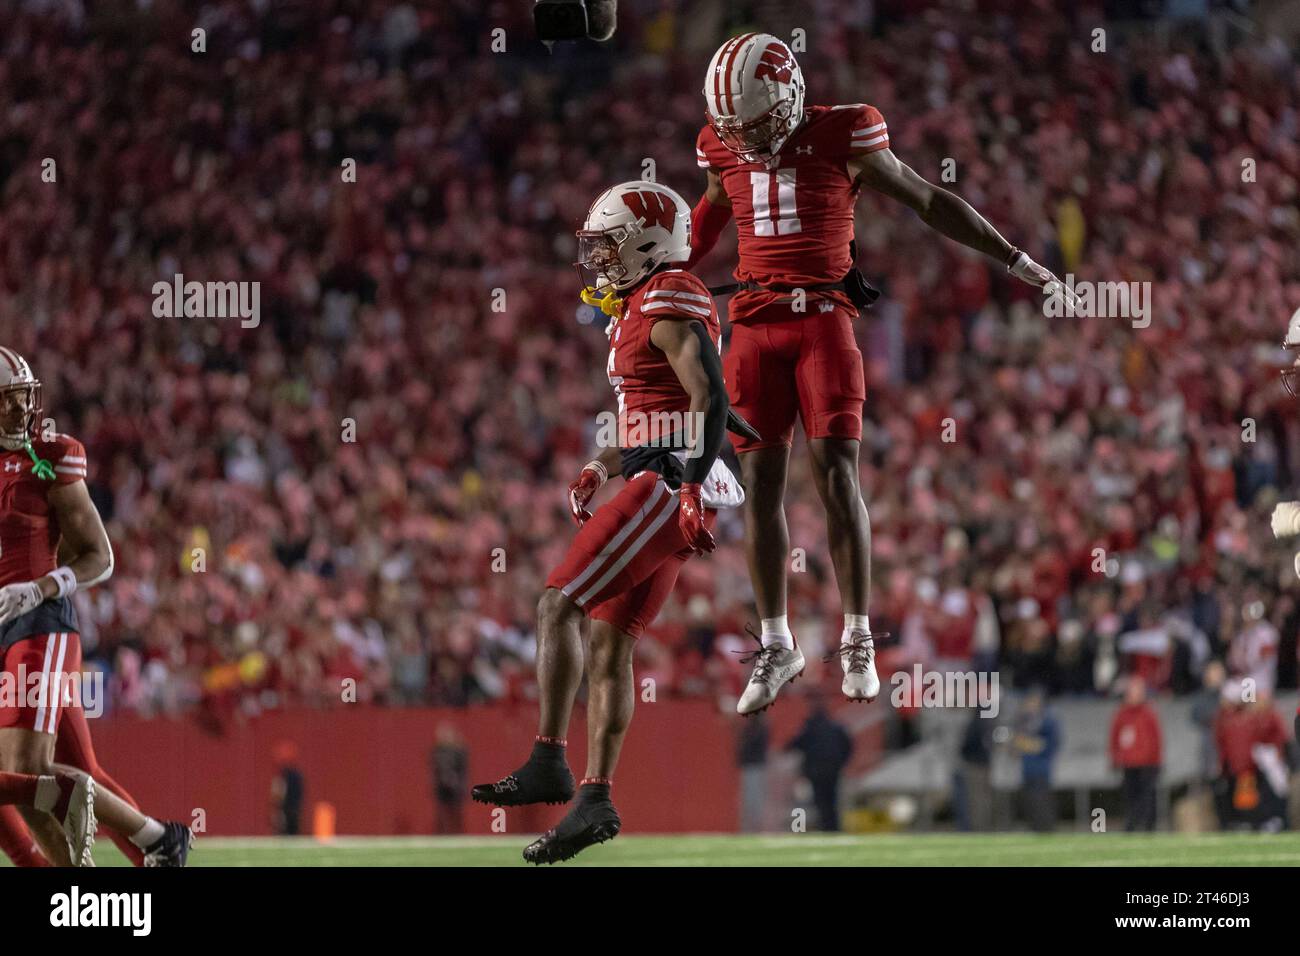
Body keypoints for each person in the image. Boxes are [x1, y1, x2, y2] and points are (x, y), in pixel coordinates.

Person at [688, 33, 1074, 715]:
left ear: (791, 98)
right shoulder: (720, 147)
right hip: (751, 325)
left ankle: (858, 635)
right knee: (760, 486)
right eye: (735, 130)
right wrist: (649, 287)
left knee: (837, 473)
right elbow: (701, 231)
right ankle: (777, 642)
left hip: (822, 321)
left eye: (757, 125)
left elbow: (927, 199)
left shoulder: (847, 131)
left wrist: (1014, 259)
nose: (748, 141)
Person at [470, 182, 746, 863]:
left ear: (649, 243)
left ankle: (549, 760)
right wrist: (602, 462)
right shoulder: (637, 307)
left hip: (668, 480)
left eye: (609, 244)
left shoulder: (670, 297)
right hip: (664, 471)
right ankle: (594, 799)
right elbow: (659, 412)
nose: (598, 260)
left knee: (554, 603)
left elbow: (709, 396)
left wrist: (683, 486)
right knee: (609, 644)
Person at [0, 348, 192, 866]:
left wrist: (40, 587)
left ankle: (155, 840)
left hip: (38, 623)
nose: (22, 411)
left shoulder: (48, 455)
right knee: (69, 768)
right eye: (8, 402)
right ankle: (141, 858)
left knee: (25, 770)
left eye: (24, 399)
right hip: (5, 632)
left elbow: (100, 556)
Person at [786, 696, 852, 831]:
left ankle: (825, 827)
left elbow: (796, 743)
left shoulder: (811, 728)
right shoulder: (836, 727)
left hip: (816, 771)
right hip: (833, 770)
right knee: (832, 801)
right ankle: (833, 828)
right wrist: (841, 763)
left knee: (820, 801)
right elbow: (848, 746)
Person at [1108, 676, 1162, 831]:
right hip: (1129, 762)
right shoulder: (1121, 714)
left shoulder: (1148, 713)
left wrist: (1156, 760)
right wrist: (1115, 758)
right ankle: (1132, 823)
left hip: (1147, 763)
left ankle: (1147, 825)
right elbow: (1114, 737)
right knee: (1131, 796)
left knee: (1147, 796)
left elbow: (1156, 738)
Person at [1012, 688, 1059, 833]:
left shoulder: (1047, 721)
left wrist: (1029, 745)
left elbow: (1049, 745)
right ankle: (1034, 828)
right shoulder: (1025, 721)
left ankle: (1046, 828)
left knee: (1042, 800)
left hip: (1041, 768)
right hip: (1028, 768)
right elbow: (1017, 744)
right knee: (1030, 802)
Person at [430, 724, 467, 835]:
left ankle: (456, 832)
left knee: (455, 811)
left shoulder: (458, 751)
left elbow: (463, 770)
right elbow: (434, 770)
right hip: (441, 785)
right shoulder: (437, 751)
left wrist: (460, 784)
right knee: (442, 812)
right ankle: (443, 833)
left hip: (455, 785)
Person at [736, 712, 769, 832]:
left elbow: (749, 746)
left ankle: (755, 829)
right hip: (751, 767)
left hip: (755, 767)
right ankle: (750, 829)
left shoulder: (759, 728)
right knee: (749, 802)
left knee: (754, 802)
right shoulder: (754, 727)